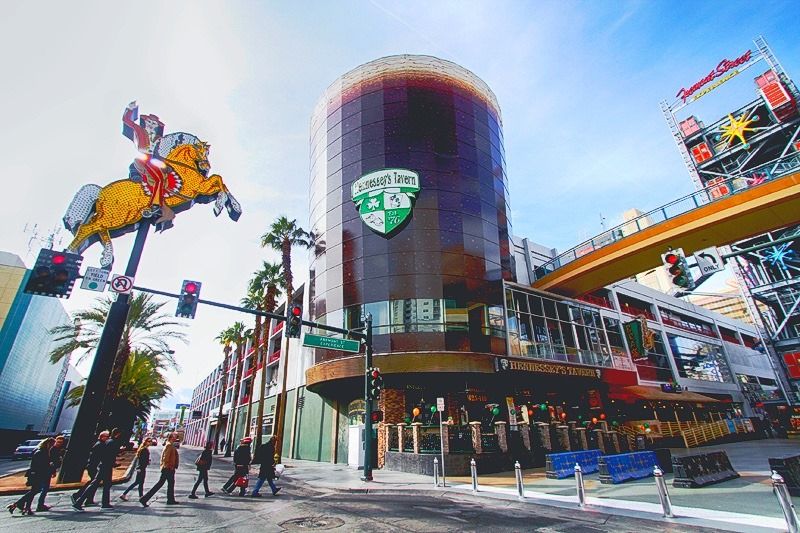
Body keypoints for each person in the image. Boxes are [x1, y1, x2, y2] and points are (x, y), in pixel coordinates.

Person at [121, 101, 176, 227]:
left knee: (161, 179)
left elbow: (166, 152)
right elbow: (127, 121)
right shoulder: (139, 130)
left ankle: (157, 204)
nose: (151, 125)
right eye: (150, 123)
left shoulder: (159, 139)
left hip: (153, 161)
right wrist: (130, 109)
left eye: (154, 124)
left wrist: (167, 166)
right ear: (145, 123)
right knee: (156, 178)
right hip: (143, 159)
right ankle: (154, 203)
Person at [73, 427, 122, 510]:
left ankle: (104, 503)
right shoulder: (112, 443)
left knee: (105, 484)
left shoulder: (107, 442)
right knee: (95, 484)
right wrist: (113, 463)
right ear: (117, 434)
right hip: (105, 466)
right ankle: (79, 502)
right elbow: (108, 455)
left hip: (104, 465)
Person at [7, 438, 54, 515]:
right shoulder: (42, 452)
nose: (52, 446)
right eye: (51, 444)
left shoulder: (41, 451)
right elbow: (41, 465)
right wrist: (50, 465)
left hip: (37, 473)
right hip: (38, 474)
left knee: (34, 490)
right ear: (47, 444)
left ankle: (25, 507)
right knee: (35, 490)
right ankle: (18, 504)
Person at [140, 432, 180, 507]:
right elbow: (165, 458)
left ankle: (170, 499)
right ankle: (144, 499)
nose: (176, 437)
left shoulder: (170, 445)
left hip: (169, 468)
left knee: (170, 484)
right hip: (168, 469)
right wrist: (168, 466)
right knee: (160, 484)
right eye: (175, 436)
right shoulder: (169, 445)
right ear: (171, 437)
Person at [71, 430, 110, 509]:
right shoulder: (100, 445)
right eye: (107, 437)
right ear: (102, 437)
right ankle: (77, 495)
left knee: (93, 483)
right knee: (93, 483)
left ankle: (88, 499)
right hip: (93, 466)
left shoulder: (100, 444)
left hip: (94, 466)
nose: (108, 438)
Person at [34, 434, 65, 512]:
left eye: (61, 442)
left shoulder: (57, 449)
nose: (59, 443)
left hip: (46, 471)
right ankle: (39, 505)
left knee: (38, 489)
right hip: (43, 472)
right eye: (57, 442)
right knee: (38, 489)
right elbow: (48, 462)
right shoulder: (49, 450)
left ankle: (37, 505)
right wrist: (52, 468)